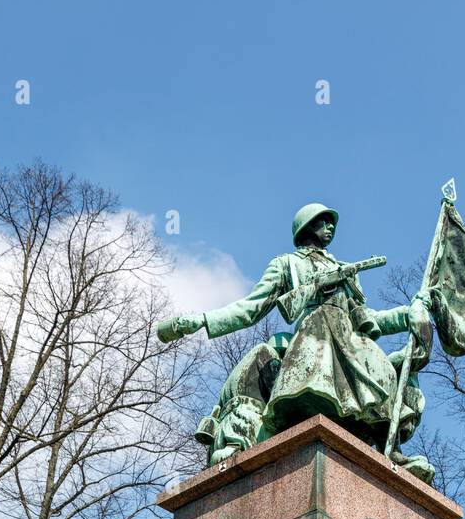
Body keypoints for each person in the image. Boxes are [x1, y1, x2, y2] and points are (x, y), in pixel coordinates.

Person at [157, 203, 435, 480]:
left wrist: (407, 314)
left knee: (384, 369)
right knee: (328, 338)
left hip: (349, 338)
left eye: (332, 224)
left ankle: (393, 450)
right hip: (315, 333)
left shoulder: (346, 271)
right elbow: (250, 308)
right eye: (323, 222)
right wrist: (202, 320)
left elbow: (366, 317)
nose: (330, 228)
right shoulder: (287, 264)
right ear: (306, 226)